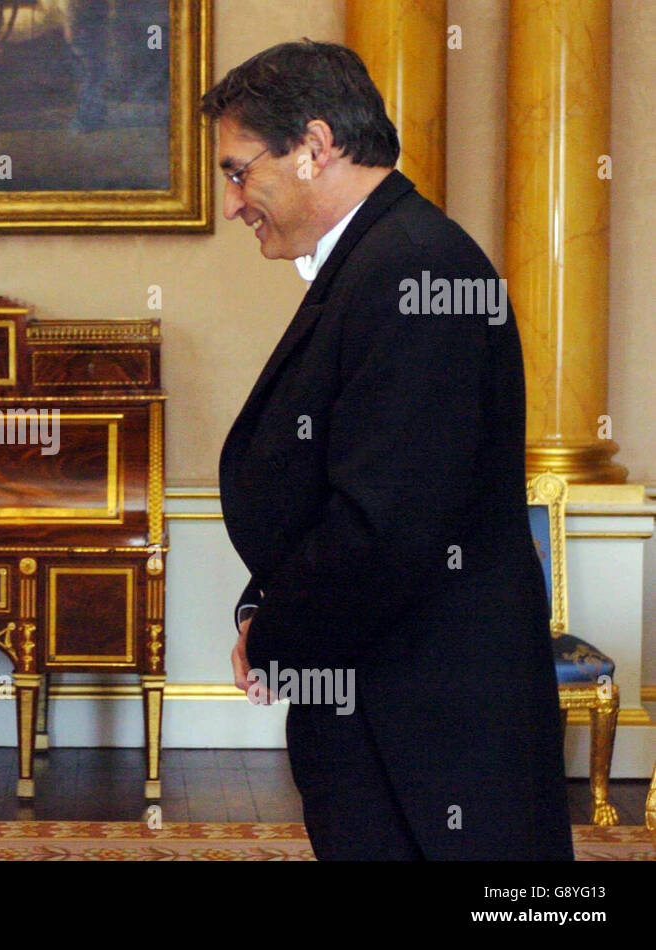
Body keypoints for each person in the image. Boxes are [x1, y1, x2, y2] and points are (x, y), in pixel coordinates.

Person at [205, 41, 573, 860]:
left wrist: (270, 638)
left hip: (429, 721)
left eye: (238, 171)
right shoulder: (381, 259)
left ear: (314, 146)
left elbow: (384, 527)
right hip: (393, 702)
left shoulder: (415, 268)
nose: (233, 203)